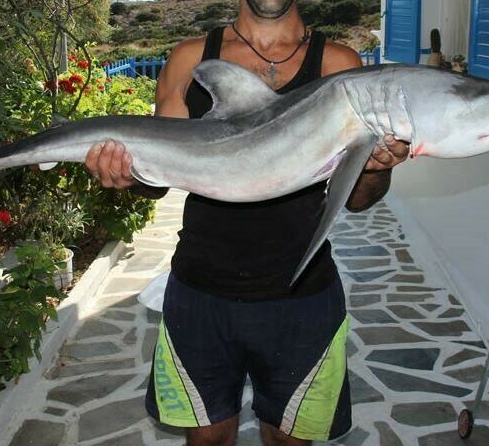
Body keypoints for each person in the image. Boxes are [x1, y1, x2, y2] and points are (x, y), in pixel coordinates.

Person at [85, 0, 410, 444]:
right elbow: (155, 181)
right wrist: (124, 172)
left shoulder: (339, 66)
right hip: (201, 290)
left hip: (302, 293)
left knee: (288, 439)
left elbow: (357, 200)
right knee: (208, 439)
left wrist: (376, 167)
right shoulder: (191, 58)